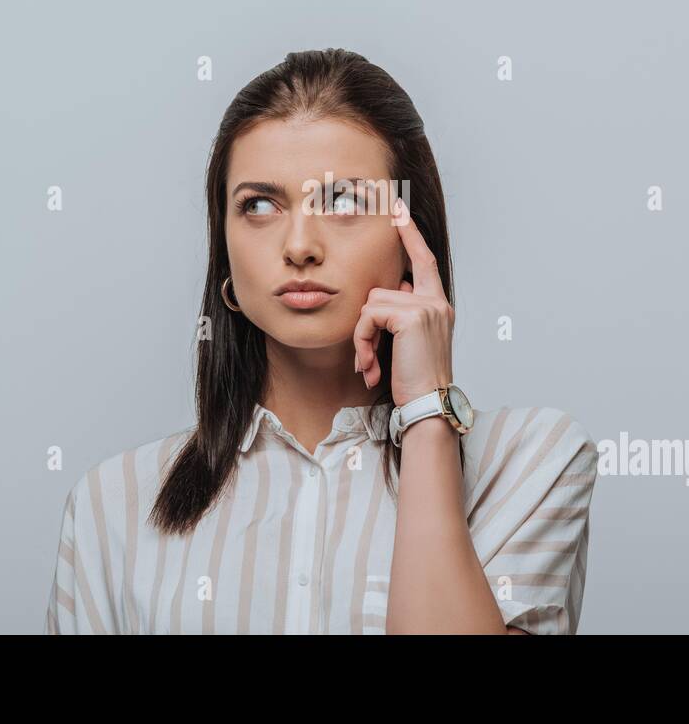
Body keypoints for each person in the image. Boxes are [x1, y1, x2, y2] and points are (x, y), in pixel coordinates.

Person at [44, 48, 597, 634]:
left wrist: (427, 413)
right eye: (259, 205)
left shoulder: (531, 461)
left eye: (344, 201)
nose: (299, 245)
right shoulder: (112, 504)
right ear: (224, 245)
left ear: (413, 234)